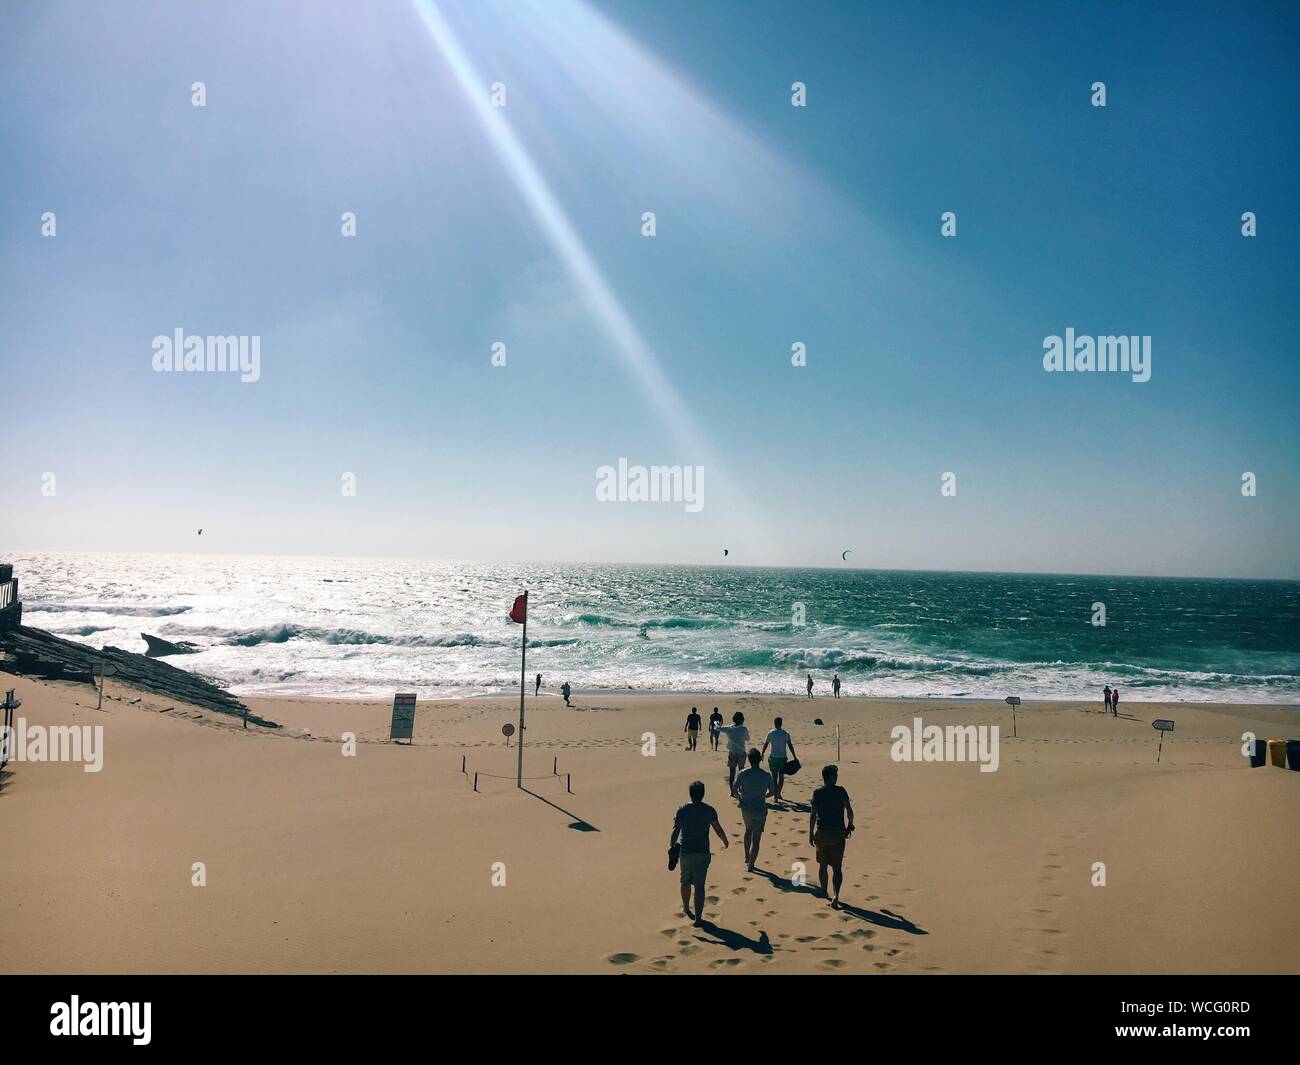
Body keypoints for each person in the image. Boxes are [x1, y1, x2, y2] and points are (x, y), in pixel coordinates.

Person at [670, 780, 729, 925]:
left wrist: (672, 847)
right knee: (700, 885)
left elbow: (676, 830)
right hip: (702, 852)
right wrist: (725, 841)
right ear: (703, 794)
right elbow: (718, 829)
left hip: (686, 852)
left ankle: (685, 907)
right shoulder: (709, 810)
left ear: (690, 794)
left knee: (685, 881)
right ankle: (698, 918)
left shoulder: (682, 810)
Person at [809, 765, 854, 908]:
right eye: (835, 775)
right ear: (831, 777)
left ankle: (824, 892)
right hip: (837, 833)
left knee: (822, 865)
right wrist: (850, 825)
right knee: (837, 867)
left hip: (822, 832)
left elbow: (813, 815)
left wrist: (810, 832)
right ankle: (836, 896)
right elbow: (849, 811)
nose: (837, 777)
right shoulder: (841, 791)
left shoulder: (817, 793)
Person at [732, 750, 774, 872]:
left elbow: (734, 790)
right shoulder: (766, 775)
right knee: (756, 839)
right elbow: (772, 792)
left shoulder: (742, 773)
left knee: (747, 831)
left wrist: (740, 797)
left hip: (746, 808)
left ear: (749, 760)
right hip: (760, 808)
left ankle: (746, 856)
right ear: (760, 759)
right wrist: (763, 796)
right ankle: (751, 864)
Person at [761, 717, 797, 802]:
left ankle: (775, 797)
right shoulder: (785, 733)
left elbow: (766, 744)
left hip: (773, 757)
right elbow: (790, 745)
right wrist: (794, 756)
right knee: (781, 777)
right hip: (782, 758)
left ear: (774, 723)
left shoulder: (771, 733)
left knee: (774, 777)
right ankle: (778, 793)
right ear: (781, 723)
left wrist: (762, 753)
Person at [716, 711, 751, 796]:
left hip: (732, 753)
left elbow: (718, 727)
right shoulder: (743, 729)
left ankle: (732, 792)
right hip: (741, 753)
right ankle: (740, 790)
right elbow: (748, 739)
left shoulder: (729, 728)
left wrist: (716, 722)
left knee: (732, 774)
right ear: (740, 720)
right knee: (741, 772)